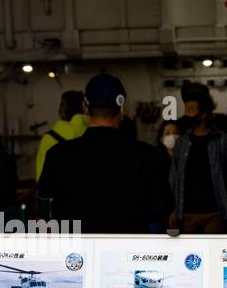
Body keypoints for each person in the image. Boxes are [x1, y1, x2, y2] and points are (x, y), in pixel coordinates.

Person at [38, 74, 172, 233]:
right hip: (129, 252)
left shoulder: (58, 155)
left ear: (85, 107)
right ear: (123, 108)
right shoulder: (148, 156)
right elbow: (162, 209)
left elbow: (46, 211)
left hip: (75, 253)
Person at [168, 83, 227, 233]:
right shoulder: (182, 142)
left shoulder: (223, 140)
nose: (188, 115)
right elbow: (174, 177)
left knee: (213, 253)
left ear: (204, 114)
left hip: (215, 212)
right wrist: (174, 209)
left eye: (192, 110)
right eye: (186, 110)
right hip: (187, 212)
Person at [34, 89, 89, 181]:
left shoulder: (49, 138)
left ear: (64, 109)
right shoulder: (96, 133)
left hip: (59, 193)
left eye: (62, 104)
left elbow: (41, 177)